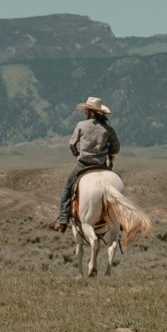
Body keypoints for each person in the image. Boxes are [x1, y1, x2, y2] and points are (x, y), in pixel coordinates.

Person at [52, 97, 119, 232]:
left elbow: (71, 144)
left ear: (89, 111)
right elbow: (116, 147)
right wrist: (109, 154)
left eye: (86, 110)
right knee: (117, 189)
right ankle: (121, 218)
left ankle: (63, 220)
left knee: (67, 189)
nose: (85, 112)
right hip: (101, 166)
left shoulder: (81, 125)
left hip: (83, 165)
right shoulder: (108, 129)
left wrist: (77, 154)